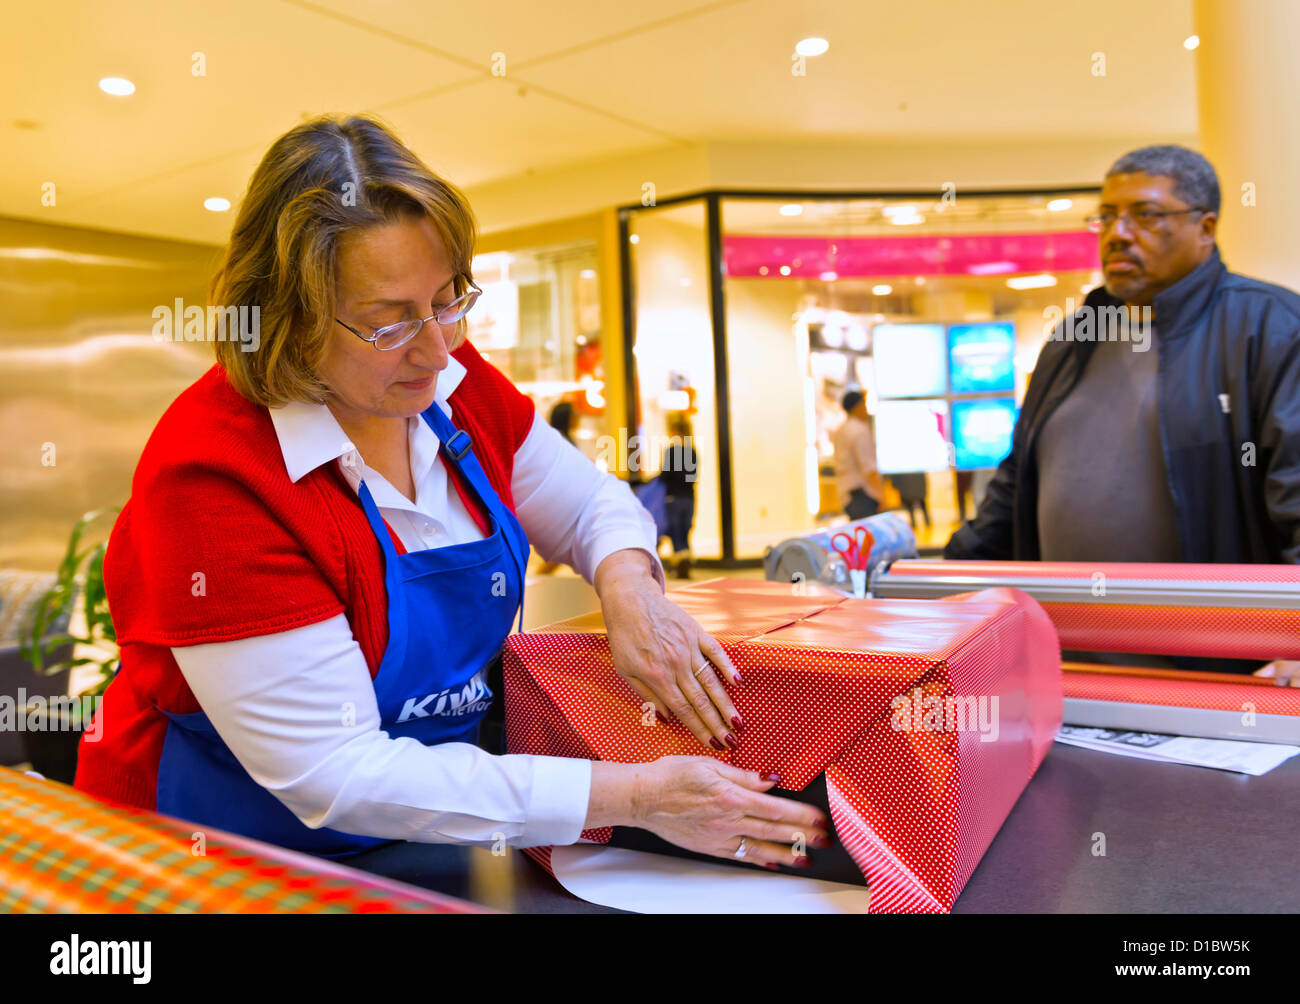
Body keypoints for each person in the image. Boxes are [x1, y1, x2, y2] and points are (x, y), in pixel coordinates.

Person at [74, 115, 830, 868]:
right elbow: (335, 773)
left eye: (447, 299)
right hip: (226, 849)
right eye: (389, 322)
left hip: (432, 825)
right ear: (288, 322)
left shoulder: (455, 391)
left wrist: (630, 586)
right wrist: (638, 798)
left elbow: (591, 504)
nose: (439, 349)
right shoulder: (214, 476)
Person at [945, 144, 1300, 680]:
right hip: (1065, 675)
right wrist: (939, 588)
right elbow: (1014, 491)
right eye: (1106, 216)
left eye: (1146, 214)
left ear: (1206, 228)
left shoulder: (1268, 328)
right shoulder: (1072, 342)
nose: (1118, 233)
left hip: (1221, 677)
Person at [831, 390, 883, 520]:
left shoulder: (840, 431)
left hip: (846, 493)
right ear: (857, 407)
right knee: (866, 536)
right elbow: (868, 467)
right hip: (862, 493)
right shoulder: (859, 431)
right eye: (864, 404)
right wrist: (882, 495)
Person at [658, 411, 698, 579]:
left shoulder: (672, 452)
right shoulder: (692, 451)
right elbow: (693, 477)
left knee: (676, 532)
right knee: (685, 531)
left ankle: (679, 565)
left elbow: (665, 476)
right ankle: (685, 564)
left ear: (674, 431)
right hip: (689, 497)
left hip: (673, 497)